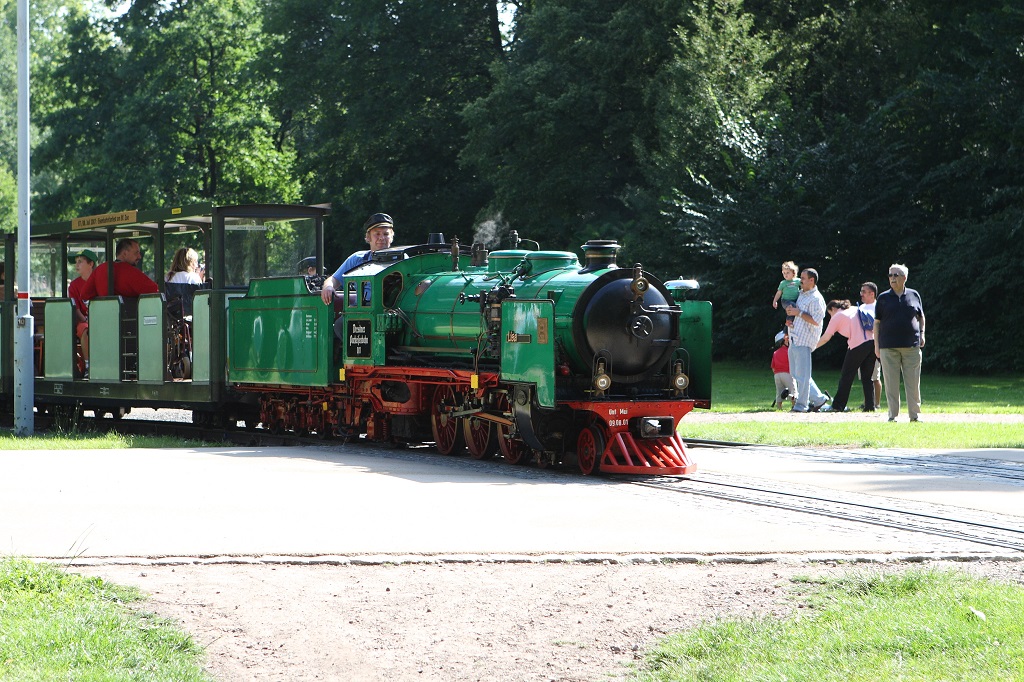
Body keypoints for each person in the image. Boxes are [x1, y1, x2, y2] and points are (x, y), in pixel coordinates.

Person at [320, 213, 395, 340]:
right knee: (340, 325)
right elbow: (334, 279)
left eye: (386, 234)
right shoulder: (357, 259)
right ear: (368, 237)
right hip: (361, 312)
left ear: (391, 237)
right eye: (377, 234)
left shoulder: (403, 259)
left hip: (391, 311)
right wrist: (328, 287)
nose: (382, 237)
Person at [874, 264, 925, 422]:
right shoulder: (883, 298)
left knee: (913, 383)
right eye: (890, 275)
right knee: (891, 384)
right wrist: (876, 345)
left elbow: (921, 317)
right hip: (888, 347)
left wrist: (922, 334)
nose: (892, 278)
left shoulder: (914, 295)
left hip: (911, 346)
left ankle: (915, 416)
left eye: (896, 275)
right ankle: (892, 416)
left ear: (905, 278)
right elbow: (876, 323)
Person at [815, 299, 875, 413]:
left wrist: (812, 347)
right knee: (867, 377)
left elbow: (826, 337)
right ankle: (870, 406)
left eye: (830, 314)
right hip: (872, 342)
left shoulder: (837, 316)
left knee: (846, 375)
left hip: (858, 344)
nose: (831, 316)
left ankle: (838, 405)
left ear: (832, 309)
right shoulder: (854, 308)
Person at [784, 268, 830, 412]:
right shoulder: (802, 294)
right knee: (796, 374)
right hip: (794, 338)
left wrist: (799, 313)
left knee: (802, 376)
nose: (799, 280)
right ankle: (819, 399)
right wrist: (790, 320)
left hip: (805, 340)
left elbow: (816, 321)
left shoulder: (816, 298)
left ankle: (801, 405)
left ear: (812, 280)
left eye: (803, 278)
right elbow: (797, 314)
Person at [79, 238, 159, 301]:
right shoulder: (129, 271)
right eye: (136, 253)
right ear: (124, 253)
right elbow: (154, 290)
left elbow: (85, 294)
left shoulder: (100, 268)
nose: (139, 257)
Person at [67, 248, 98, 364]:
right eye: (76, 262)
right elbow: (76, 309)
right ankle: (88, 365)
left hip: (100, 320)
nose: (77, 265)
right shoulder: (74, 285)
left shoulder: (100, 281)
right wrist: (86, 320)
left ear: (91, 264)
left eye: (80, 261)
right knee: (86, 330)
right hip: (83, 321)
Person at [856, 282, 882, 410]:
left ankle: (876, 403)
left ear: (872, 294)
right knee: (865, 377)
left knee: (875, 377)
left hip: (875, 346)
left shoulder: (878, 307)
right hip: (861, 346)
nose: (861, 294)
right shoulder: (861, 308)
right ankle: (868, 402)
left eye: (864, 292)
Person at [771, 329, 796, 410]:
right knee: (793, 390)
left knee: (779, 392)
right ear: (784, 341)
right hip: (788, 373)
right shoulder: (790, 351)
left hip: (777, 375)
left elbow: (773, 367)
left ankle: (779, 408)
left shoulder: (775, 353)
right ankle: (794, 406)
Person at [772, 261, 801, 327]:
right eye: (784, 273)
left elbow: (804, 286)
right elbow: (779, 292)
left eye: (788, 273)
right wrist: (775, 301)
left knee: (798, 308)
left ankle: (787, 331)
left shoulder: (798, 281)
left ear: (793, 273)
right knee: (792, 307)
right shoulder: (783, 283)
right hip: (785, 301)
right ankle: (788, 321)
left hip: (795, 300)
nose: (785, 275)